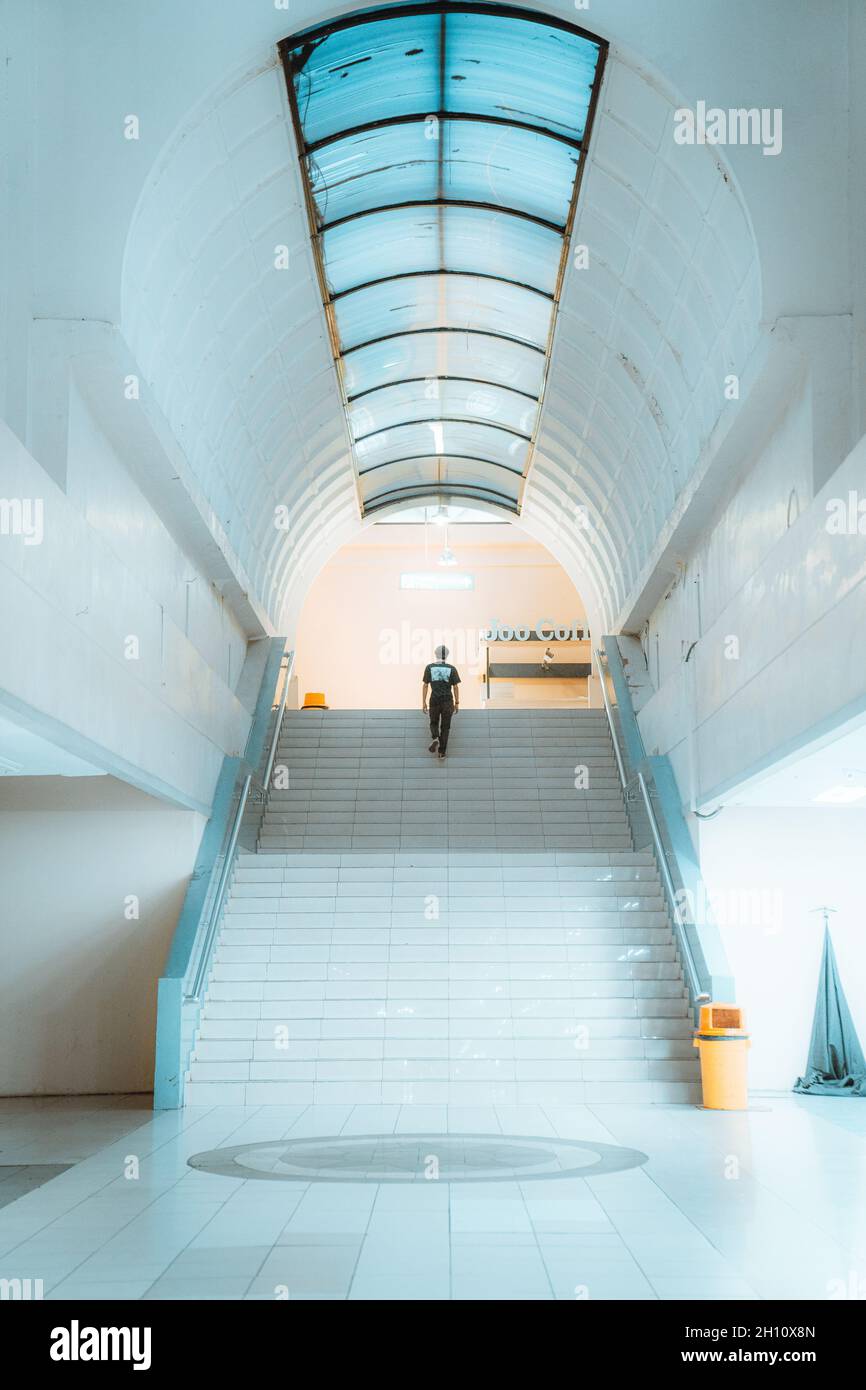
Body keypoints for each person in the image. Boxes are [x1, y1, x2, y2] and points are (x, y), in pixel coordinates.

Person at [422, 645, 460, 759]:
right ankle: (442, 752)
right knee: (445, 727)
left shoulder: (429, 667)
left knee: (433, 722)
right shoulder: (452, 668)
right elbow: (455, 687)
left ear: (436, 654)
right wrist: (457, 703)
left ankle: (435, 738)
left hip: (434, 699)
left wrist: (423, 702)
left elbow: (425, 685)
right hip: (448, 700)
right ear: (447, 655)